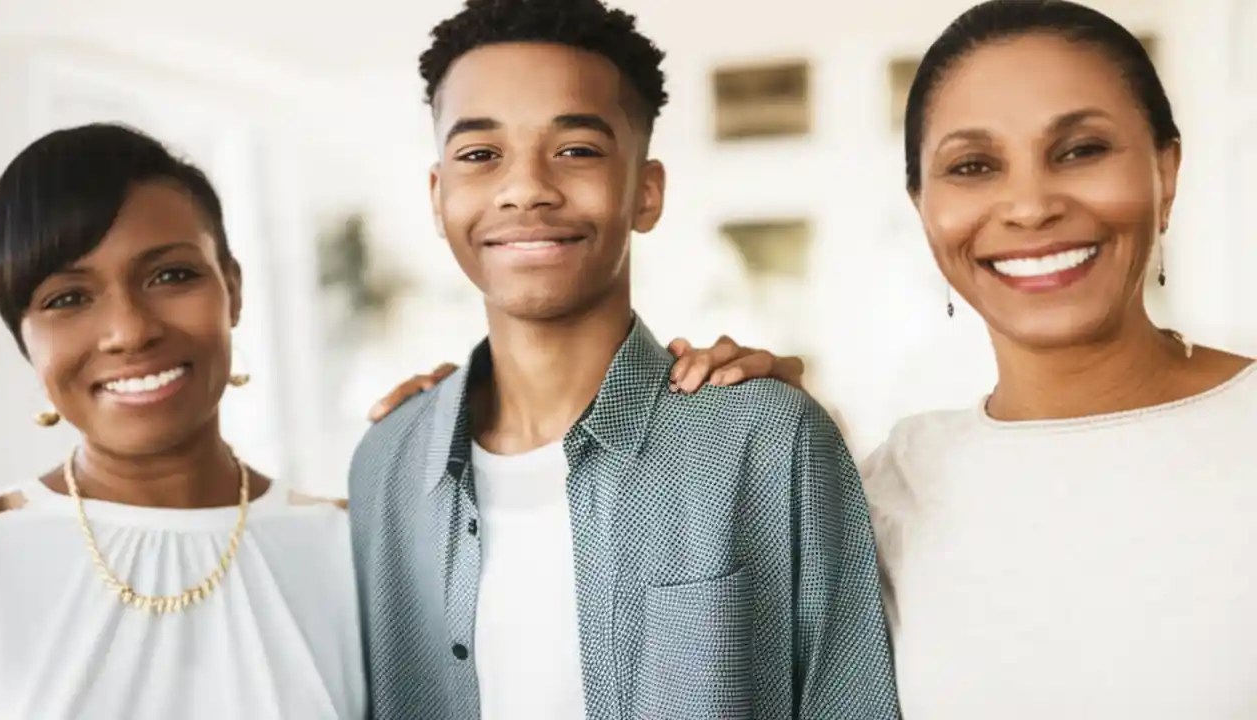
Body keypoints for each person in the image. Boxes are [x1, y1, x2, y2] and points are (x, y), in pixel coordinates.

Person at [485, 1, 1253, 717]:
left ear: (1166, 170)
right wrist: (455, 421)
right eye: (973, 167)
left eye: (1081, 150)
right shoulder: (887, 491)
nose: (1030, 205)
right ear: (924, 207)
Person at [348, 0, 900, 718]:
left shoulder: (766, 438)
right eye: (480, 155)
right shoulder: (385, 465)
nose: (525, 188)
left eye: (575, 150)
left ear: (646, 189)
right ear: (438, 194)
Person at [0, 124, 365, 719]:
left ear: (231, 289)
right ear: (24, 341)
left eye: (171, 276)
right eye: (67, 299)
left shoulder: (353, 552)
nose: (130, 331)